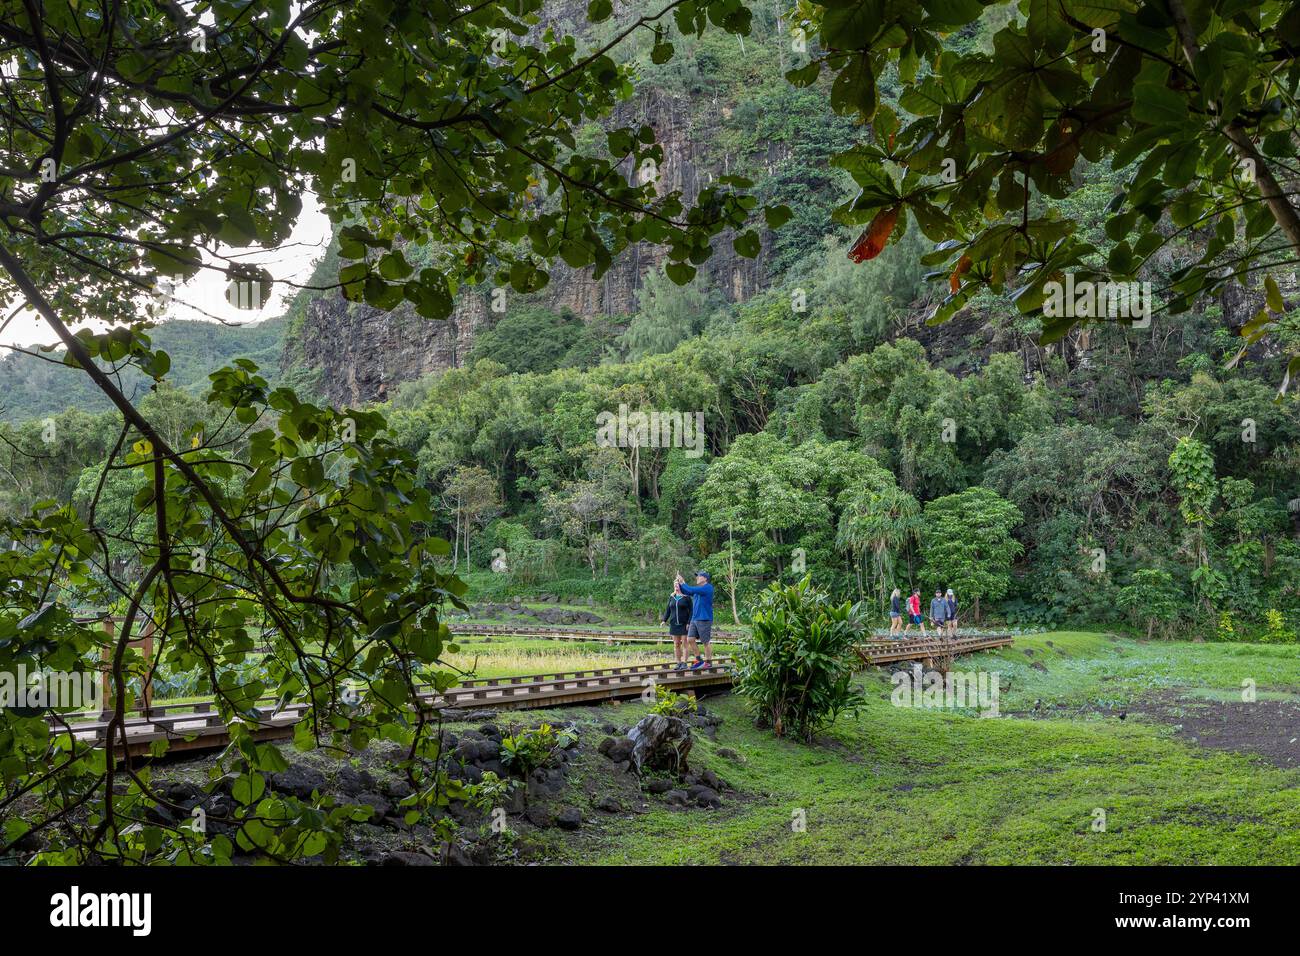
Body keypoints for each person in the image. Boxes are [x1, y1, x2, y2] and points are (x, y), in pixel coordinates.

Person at [675, 570, 715, 670]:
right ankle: (699, 659)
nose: (697, 578)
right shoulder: (698, 589)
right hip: (695, 618)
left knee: (705, 641)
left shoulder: (707, 588)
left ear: (705, 578)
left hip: (704, 618)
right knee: (690, 639)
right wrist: (679, 583)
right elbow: (687, 591)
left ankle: (708, 662)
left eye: (699, 576)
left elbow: (690, 590)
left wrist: (683, 582)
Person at [662, 581, 694, 670]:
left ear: (681, 586)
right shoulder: (672, 597)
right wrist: (664, 620)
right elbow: (668, 610)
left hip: (684, 624)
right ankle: (678, 662)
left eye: (677, 585)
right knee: (676, 644)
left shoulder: (687, 597)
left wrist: (689, 622)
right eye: (674, 585)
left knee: (684, 643)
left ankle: (684, 662)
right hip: (673, 624)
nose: (676, 586)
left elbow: (692, 611)